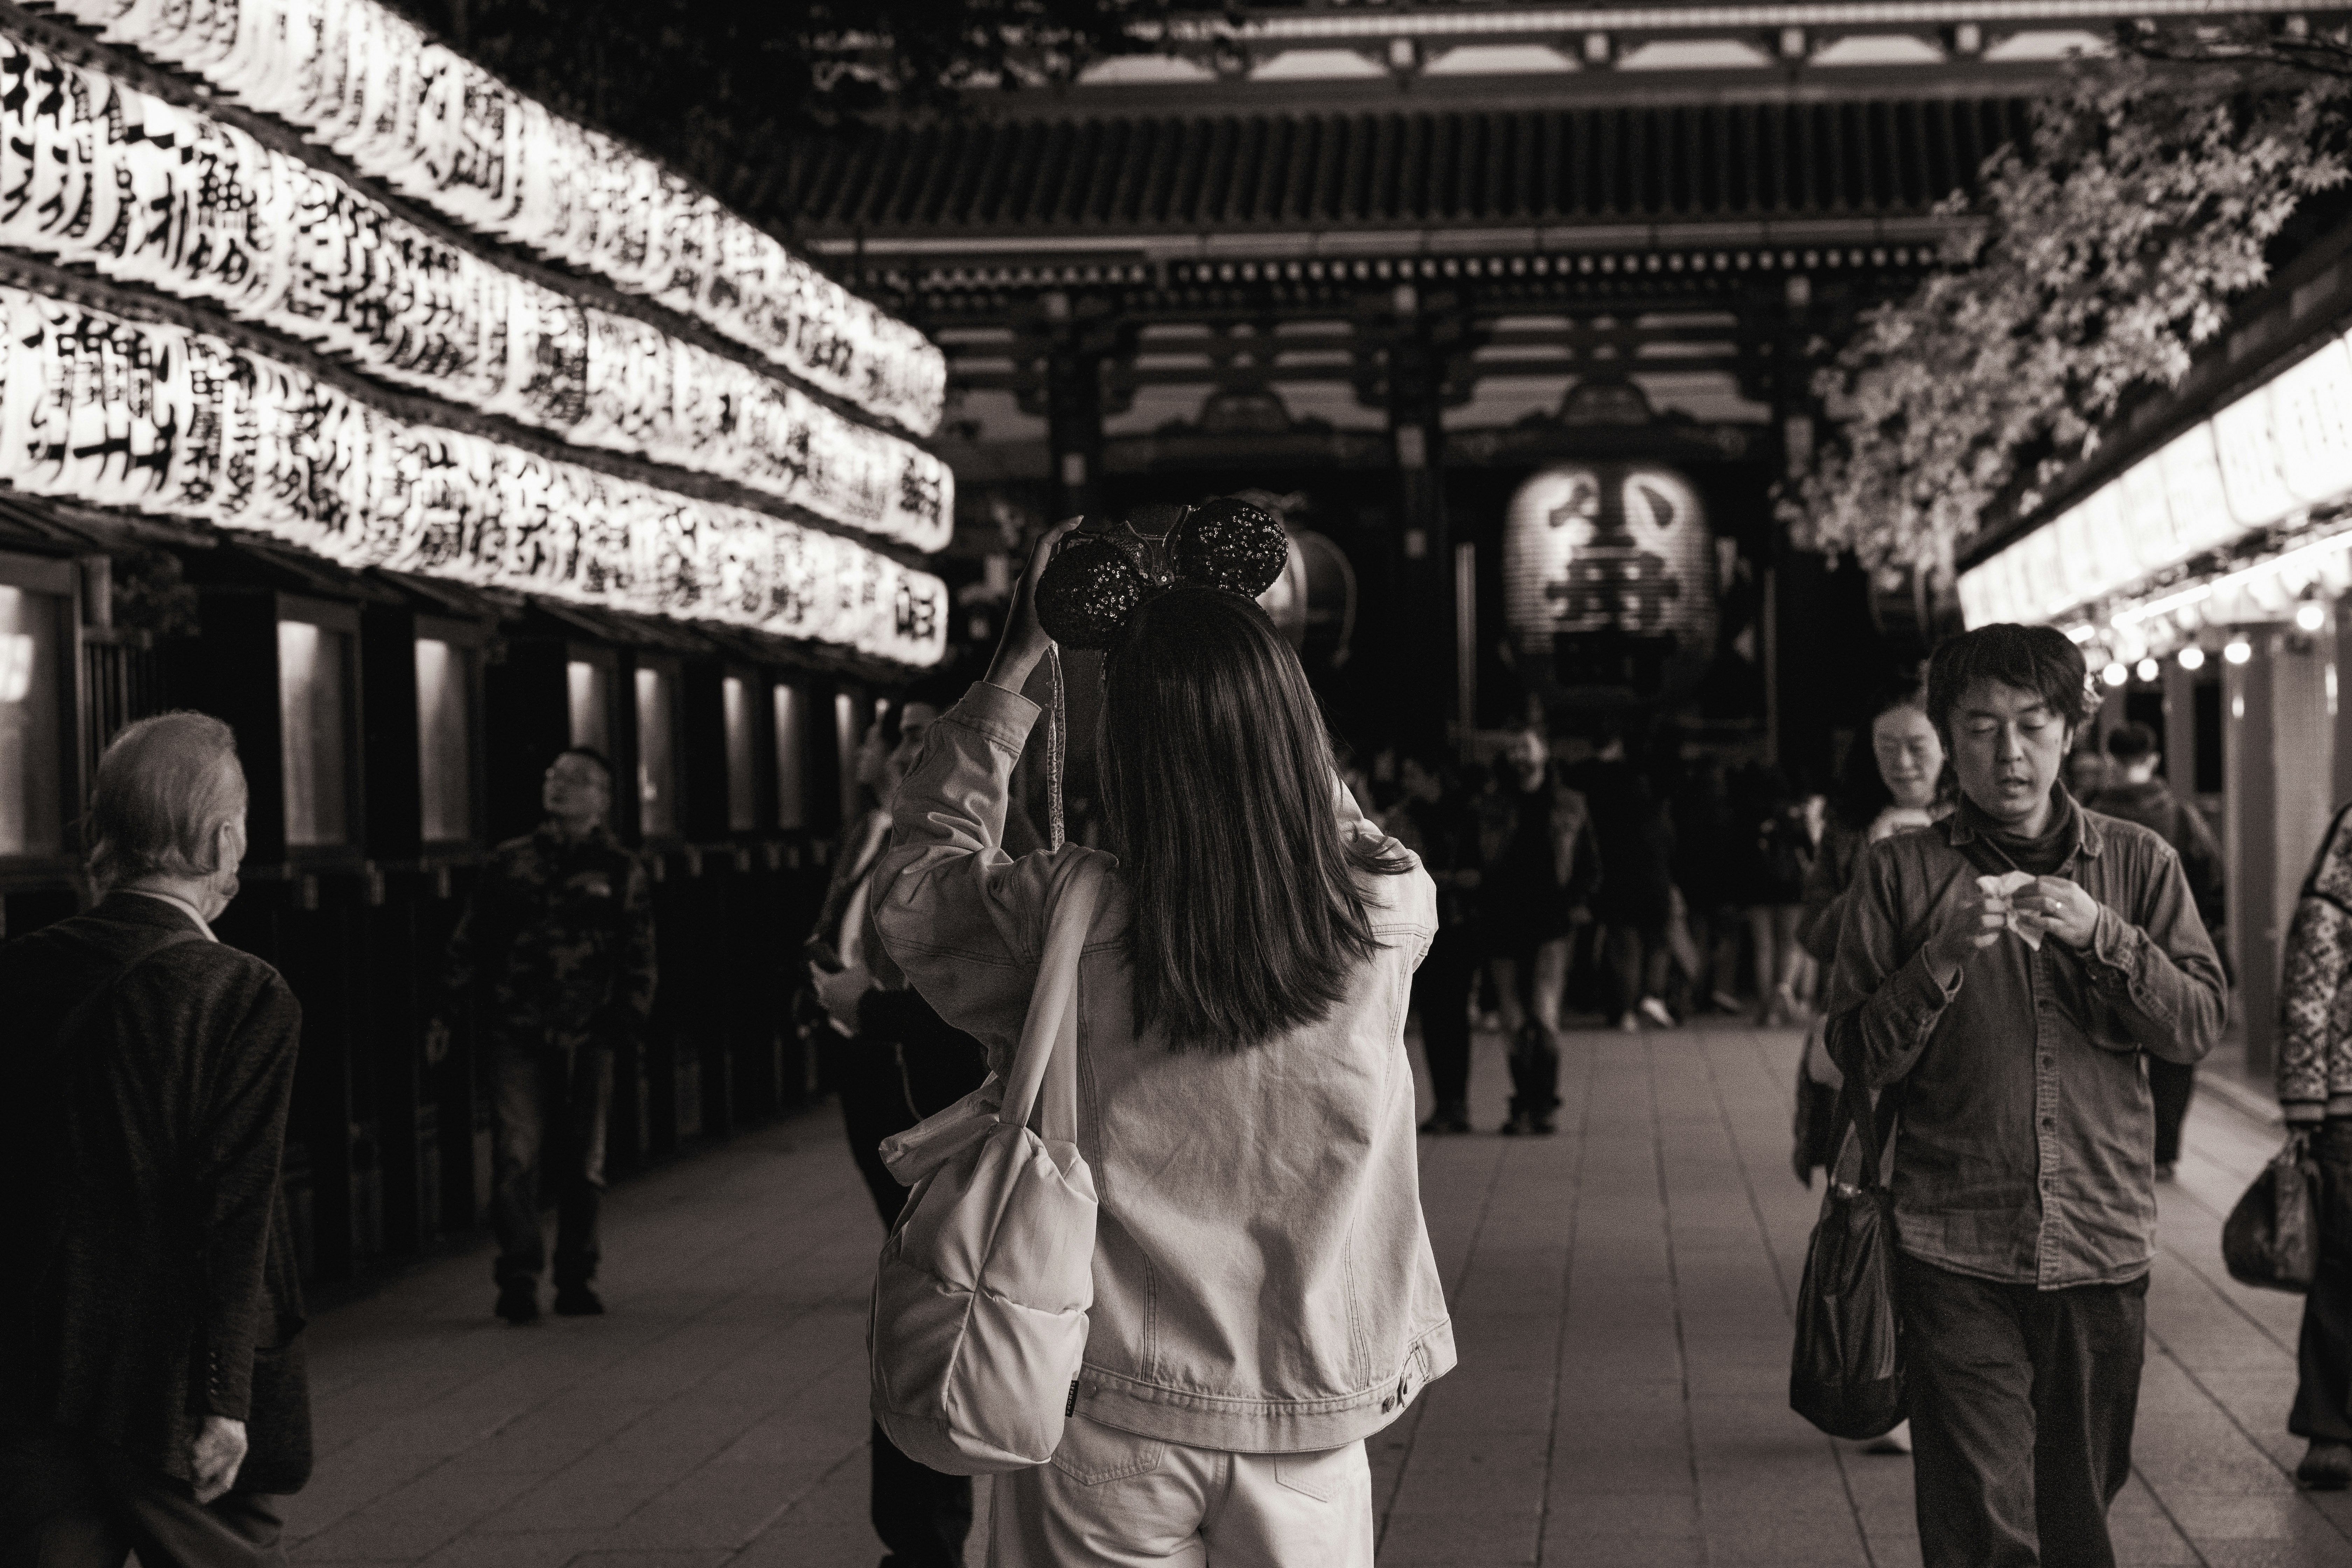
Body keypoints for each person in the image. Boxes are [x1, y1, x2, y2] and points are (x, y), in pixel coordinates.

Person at [874, 522, 1454, 1567]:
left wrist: (1010, 679)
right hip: (1308, 1406)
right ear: (1290, 732)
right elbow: (1333, 816)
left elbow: (912, 890)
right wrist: (1238, 648)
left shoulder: (1069, 912)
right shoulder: (1381, 905)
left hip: (1108, 1395)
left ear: (1127, 748)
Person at [1826, 624, 2224, 1568]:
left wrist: (2105, 936)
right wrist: (1944, 954)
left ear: (2071, 732)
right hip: (1950, 1237)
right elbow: (1860, 1054)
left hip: (2101, 1237)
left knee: (2080, 1504)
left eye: (2033, 726)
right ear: (1949, 737)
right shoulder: (1899, 872)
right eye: (1981, 728)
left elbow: (2196, 1027)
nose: (2009, 754)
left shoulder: (2138, 864)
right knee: (1978, 1511)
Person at [0, 713, 312, 1568]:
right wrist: (226, 1397)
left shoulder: (21, 967)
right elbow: (234, 1208)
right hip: (162, 1380)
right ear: (223, 836)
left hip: (29, 1372)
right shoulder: (239, 992)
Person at [805, 696, 988, 1568]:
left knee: (930, 1305)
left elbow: (970, 1000)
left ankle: (928, 1534)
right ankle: (919, 1530)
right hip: (875, 1077)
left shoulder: (990, 843)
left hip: (934, 1092)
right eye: (906, 738)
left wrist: (870, 1010)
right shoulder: (872, 830)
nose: (916, 752)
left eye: (932, 736)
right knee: (914, 1294)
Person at [429, 747, 655, 1324]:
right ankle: (520, 1276)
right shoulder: (511, 862)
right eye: (554, 776)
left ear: (602, 798)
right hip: (519, 1029)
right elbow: (471, 941)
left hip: (591, 1033)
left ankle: (577, 1275)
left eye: (576, 780)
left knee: (584, 1161)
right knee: (515, 1154)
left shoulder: (619, 868)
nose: (559, 786)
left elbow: (639, 952)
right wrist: (444, 1013)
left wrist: (627, 1020)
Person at [1791, 684, 1949, 1458]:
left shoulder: (1973, 827)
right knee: (1872, 1214)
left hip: (1954, 1053)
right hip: (1867, 1059)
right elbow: (1816, 933)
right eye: (1887, 748)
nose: (1904, 761)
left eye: (1918, 744)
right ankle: (1889, 1380)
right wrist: (1873, 872)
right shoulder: (1853, 827)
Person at [2090, 721, 2226, 1180]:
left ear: (2110, 760)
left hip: (2099, 952)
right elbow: (2211, 875)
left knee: (2107, 1050)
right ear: (2154, 760)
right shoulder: (2182, 816)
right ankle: (2163, 1153)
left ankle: (2114, 1148)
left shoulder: (2088, 816)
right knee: (2172, 1055)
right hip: (2171, 946)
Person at [2277, 803, 2352, 1489]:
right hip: (2349, 1105)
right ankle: (2332, 1427)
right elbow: (2312, 966)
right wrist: (2304, 1097)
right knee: (2340, 1265)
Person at [1476, 726, 1602, 1132]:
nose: (1519, 755)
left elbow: (1590, 866)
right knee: (1512, 1018)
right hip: (1503, 921)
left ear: (1546, 752)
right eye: (1513, 747)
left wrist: (1573, 902)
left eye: (1526, 746)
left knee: (1544, 1014)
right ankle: (1525, 1102)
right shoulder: (1493, 804)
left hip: (1551, 922)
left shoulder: (1569, 805)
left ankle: (1542, 1104)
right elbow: (1480, 861)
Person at [1392, 751, 1483, 1135]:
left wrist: (1444, 879)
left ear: (1434, 776)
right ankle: (1444, 1103)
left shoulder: (1464, 815)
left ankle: (1457, 1102)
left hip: (1460, 925)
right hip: (1425, 928)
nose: (1407, 781)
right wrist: (1448, 878)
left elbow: (1477, 873)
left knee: (1454, 1017)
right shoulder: (1404, 817)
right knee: (1433, 1018)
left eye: (1413, 772)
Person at [1568, 728, 1677, 1034]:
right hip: (1653, 880)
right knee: (1657, 941)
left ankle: (1625, 1011)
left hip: (1617, 880)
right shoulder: (1650, 808)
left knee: (1624, 947)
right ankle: (1653, 995)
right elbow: (1669, 842)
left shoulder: (1596, 795)